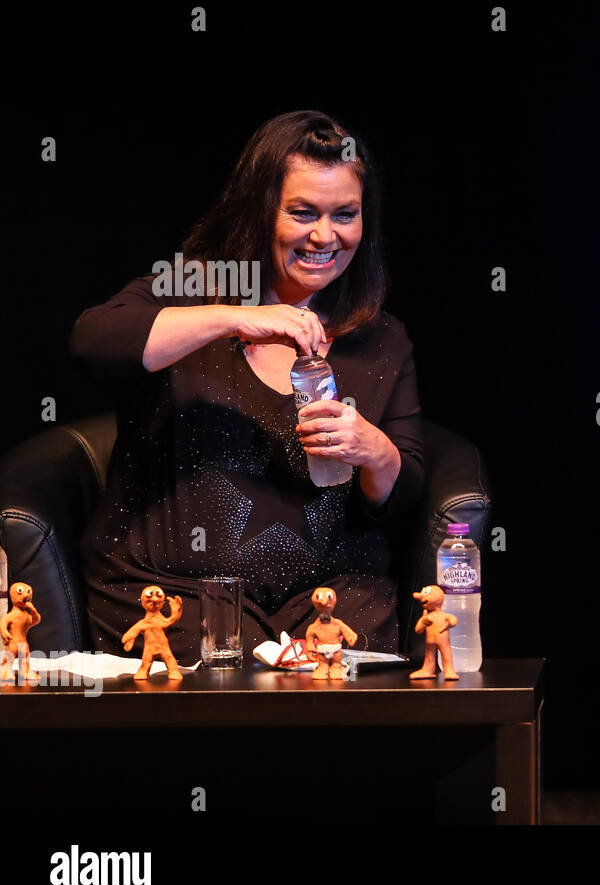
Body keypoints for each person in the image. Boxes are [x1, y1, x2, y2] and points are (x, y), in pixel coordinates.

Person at [69, 111, 425, 663]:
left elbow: (401, 498)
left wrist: (376, 453)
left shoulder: (378, 337)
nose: (324, 236)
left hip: (329, 603)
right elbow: (94, 341)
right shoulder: (195, 287)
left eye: (345, 215)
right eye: (302, 213)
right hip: (177, 594)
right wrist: (235, 317)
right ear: (260, 210)